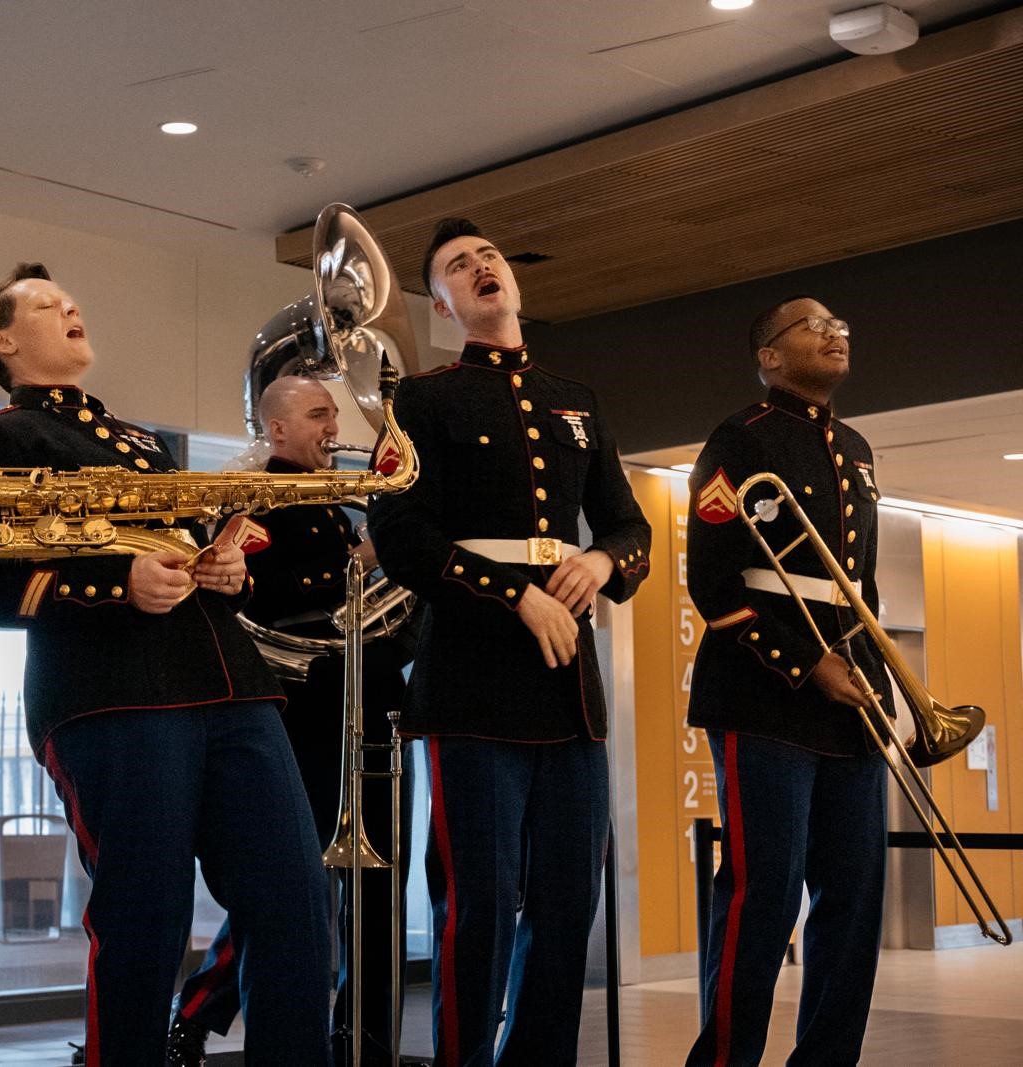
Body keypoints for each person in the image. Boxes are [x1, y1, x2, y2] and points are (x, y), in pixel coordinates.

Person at [0, 263, 333, 1067]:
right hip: (112, 696)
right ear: (3, 341)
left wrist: (226, 570)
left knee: (296, 897)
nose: (70, 305)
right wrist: (115, 583)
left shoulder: (142, 443)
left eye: (70, 297)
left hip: (231, 685)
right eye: (45, 304)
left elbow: (185, 553)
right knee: (145, 920)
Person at [367, 217, 652, 1066]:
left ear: (513, 280)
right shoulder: (419, 402)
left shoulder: (578, 400)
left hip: (569, 692)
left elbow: (630, 527)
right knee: (480, 904)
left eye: (488, 256)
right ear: (443, 305)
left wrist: (600, 561)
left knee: (568, 903)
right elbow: (402, 537)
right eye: (459, 266)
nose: (481, 266)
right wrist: (515, 595)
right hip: (471, 685)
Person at [169, 376, 415, 1067]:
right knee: (291, 883)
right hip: (299, 707)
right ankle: (196, 1012)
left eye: (334, 413)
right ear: (276, 429)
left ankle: (362, 1039)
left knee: (373, 886)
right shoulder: (253, 500)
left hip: (365, 699)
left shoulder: (339, 502)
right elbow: (259, 597)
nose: (333, 427)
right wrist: (358, 562)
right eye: (317, 414)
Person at [683, 296, 888, 1067]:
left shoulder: (858, 447)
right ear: (769, 355)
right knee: (764, 893)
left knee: (855, 900)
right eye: (814, 326)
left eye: (840, 324)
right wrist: (807, 663)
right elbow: (712, 583)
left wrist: (881, 683)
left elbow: (862, 586)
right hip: (762, 693)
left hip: (851, 699)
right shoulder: (740, 437)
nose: (836, 332)